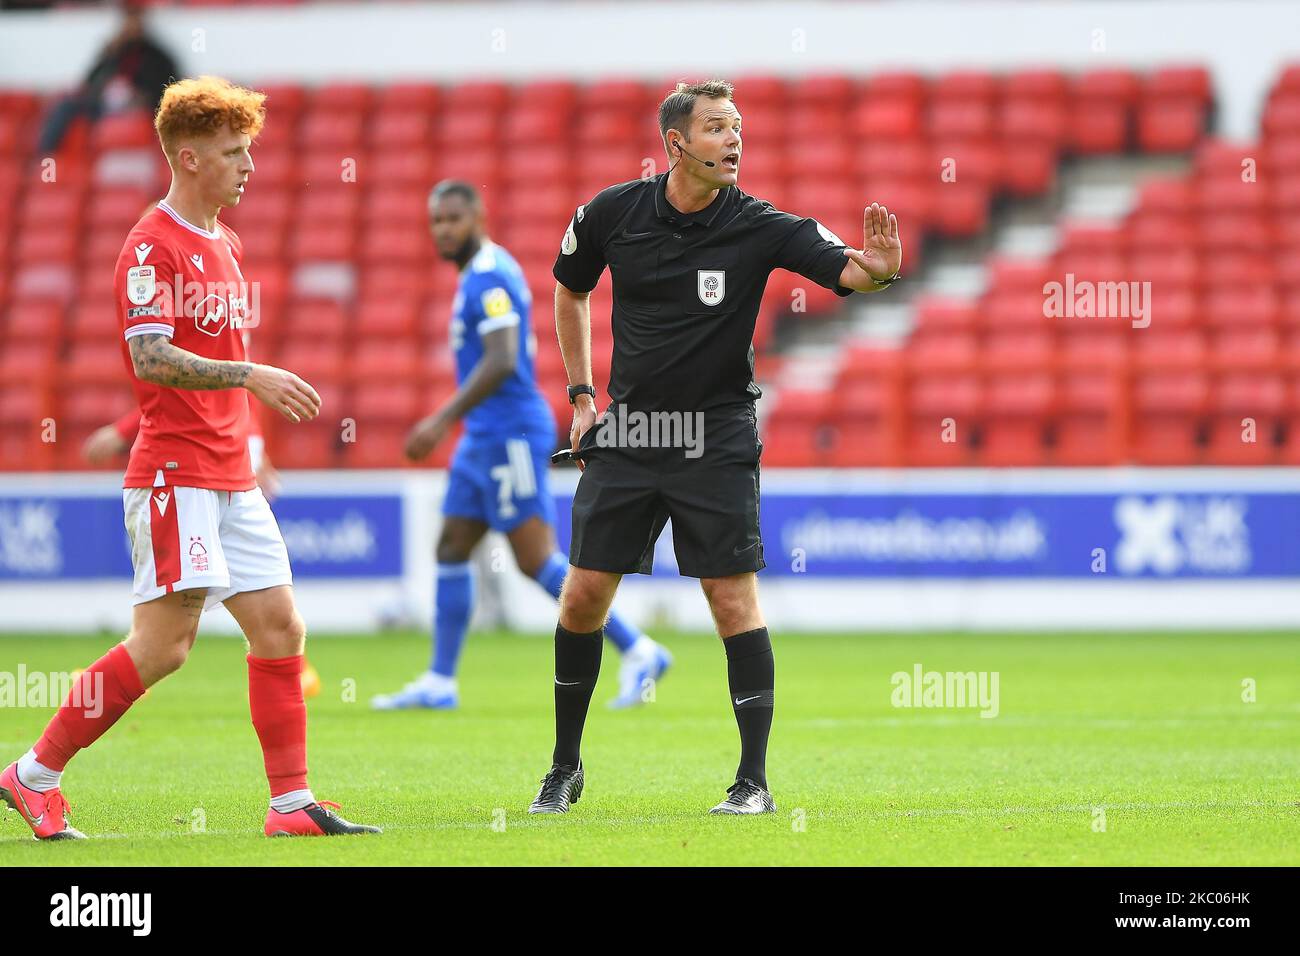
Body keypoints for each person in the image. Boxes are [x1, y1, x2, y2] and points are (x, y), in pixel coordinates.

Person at [0, 76, 378, 839]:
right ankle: (32, 773)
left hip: (230, 473)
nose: (249, 167)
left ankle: (290, 804)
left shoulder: (226, 242)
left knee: (279, 627)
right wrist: (250, 375)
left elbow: (211, 359)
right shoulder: (151, 245)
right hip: (176, 474)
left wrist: (251, 433)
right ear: (189, 157)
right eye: (234, 153)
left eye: (249, 150)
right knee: (165, 646)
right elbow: (149, 356)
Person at [527, 80, 903, 815]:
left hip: (717, 433)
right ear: (676, 143)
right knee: (582, 597)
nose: (734, 141)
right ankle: (564, 768)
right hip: (632, 432)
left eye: (738, 128)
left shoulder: (761, 225)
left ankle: (753, 783)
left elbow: (852, 269)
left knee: (731, 599)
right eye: (716, 128)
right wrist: (581, 396)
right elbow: (568, 289)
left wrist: (880, 272)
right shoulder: (612, 213)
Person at [371, 180, 671, 712]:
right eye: (436, 220)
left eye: (453, 219)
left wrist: (441, 420)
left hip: (507, 431)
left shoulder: (489, 275)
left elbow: (504, 357)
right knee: (451, 547)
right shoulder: (475, 275)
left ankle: (640, 649)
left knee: (535, 559)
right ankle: (440, 681)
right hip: (482, 436)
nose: (443, 229)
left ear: (479, 217)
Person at [38, 1, 180, 154]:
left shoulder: (157, 55)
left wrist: (144, 98)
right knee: (65, 105)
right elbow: (90, 81)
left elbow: (171, 86)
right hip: (105, 104)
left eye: (135, 19)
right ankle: (45, 155)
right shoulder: (113, 50)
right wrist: (109, 54)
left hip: (142, 107)